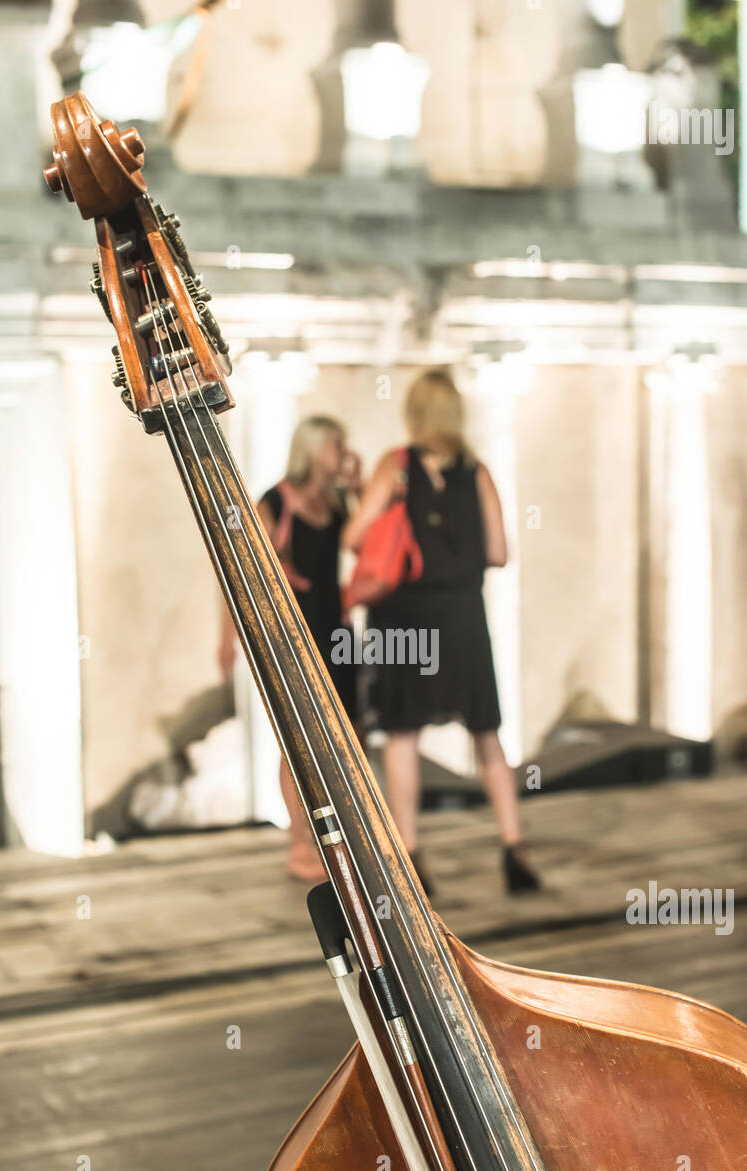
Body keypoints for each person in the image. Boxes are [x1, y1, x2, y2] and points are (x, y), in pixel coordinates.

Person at [342, 370, 539, 896]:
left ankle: (410, 854)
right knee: (486, 734)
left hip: (404, 618)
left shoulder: (396, 466)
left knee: (403, 735)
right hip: (463, 618)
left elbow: (354, 535)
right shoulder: (478, 473)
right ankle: (513, 847)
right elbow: (498, 553)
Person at [219, 415, 360, 882]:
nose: (343, 451)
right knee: (297, 744)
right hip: (291, 637)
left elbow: (364, 548)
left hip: (335, 632)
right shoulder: (274, 502)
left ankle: (343, 842)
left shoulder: (337, 501)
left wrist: (357, 487)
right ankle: (300, 844)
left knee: (344, 739)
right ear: (314, 447)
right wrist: (227, 638)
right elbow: (236, 570)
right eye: (336, 444)